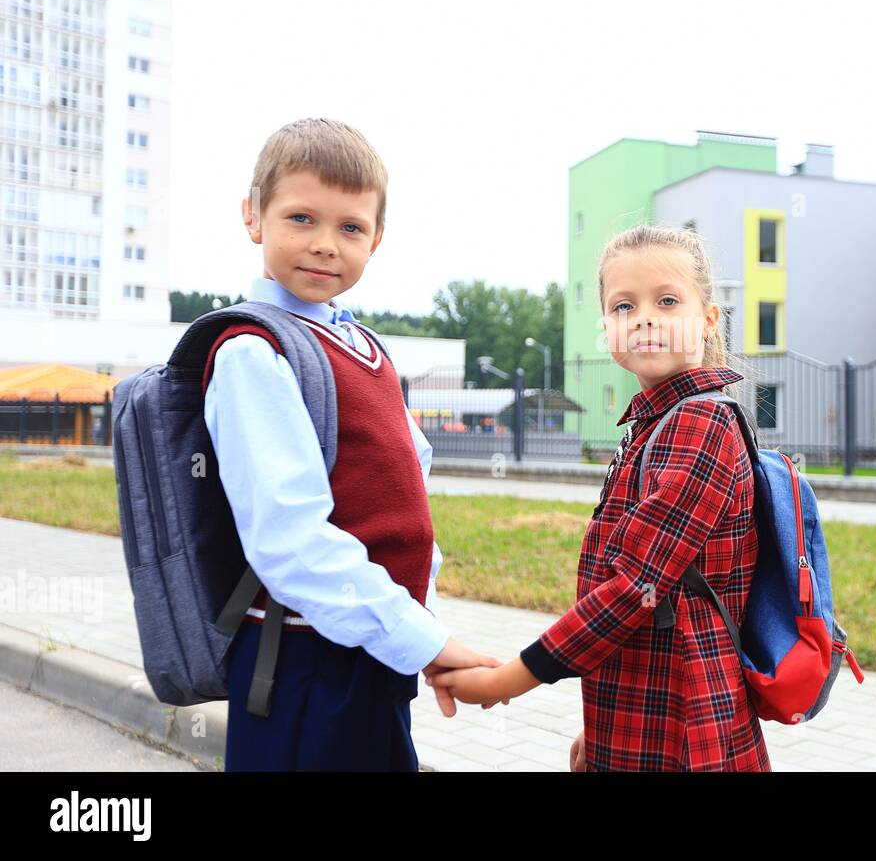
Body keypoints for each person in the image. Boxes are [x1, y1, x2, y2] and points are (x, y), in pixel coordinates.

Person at [202, 117, 500, 771]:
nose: (325, 245)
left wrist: (420, 631)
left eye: (350, 227)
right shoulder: (254, 352)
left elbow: (407, 511)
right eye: (301, 218)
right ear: (253, 216)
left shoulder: (365, 348)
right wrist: (419, 640)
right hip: (303, 664)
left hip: (369, 651)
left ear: (378, 238)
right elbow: (290, 540)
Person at [431, 223, 771, 771]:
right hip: (641, 712)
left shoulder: (702, 422)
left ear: (708, 319)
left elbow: (634, 588)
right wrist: (600, 727)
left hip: (683, 725)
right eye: (622, 306)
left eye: (666, 300)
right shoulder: (655, 422)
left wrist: (508, 680)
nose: (643, 318)